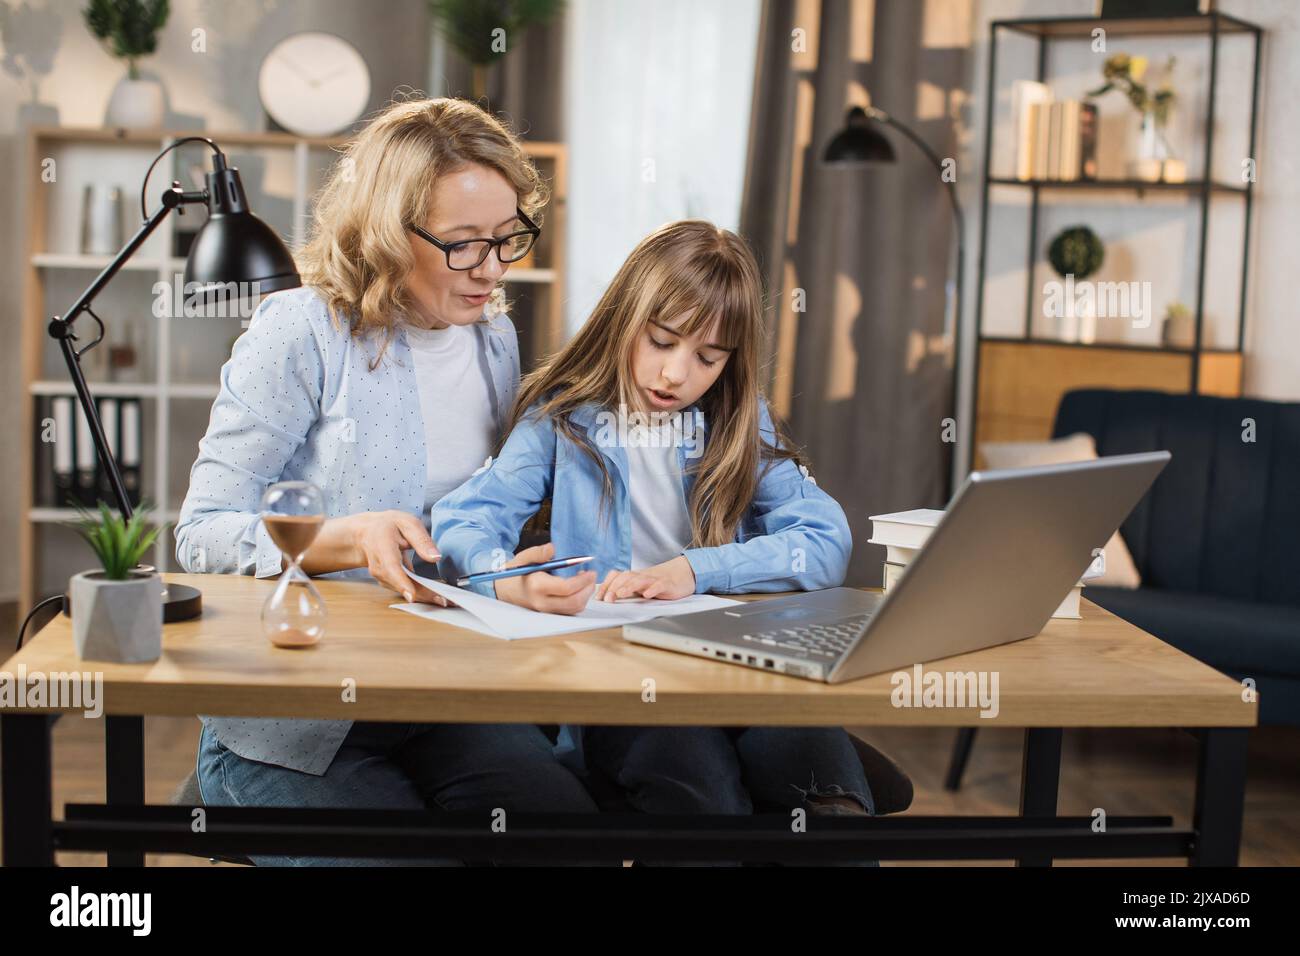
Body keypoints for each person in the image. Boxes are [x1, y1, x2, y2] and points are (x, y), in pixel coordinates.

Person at [174, 96, 599, 866]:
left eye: (509, 238)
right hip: (298, 724)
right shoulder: (300, 331)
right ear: (386, 232)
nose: (495, 268)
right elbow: (201, 532)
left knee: (570, 838)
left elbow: (476, 523)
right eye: (465, 244)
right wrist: (345, 537)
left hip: (439, 695)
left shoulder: (491, 337)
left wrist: (511, 571)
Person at [430, 220, 874, 833]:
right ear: (623, 319)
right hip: (623, 681)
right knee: (701, 795)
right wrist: (502, 578)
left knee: (831, 801)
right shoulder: (562, 421)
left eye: (706, 357)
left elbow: (825, 544)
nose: (674, 375)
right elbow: (463, 521)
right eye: (661, 341)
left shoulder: (744, 427)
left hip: (738, 666)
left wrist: (695, 571)